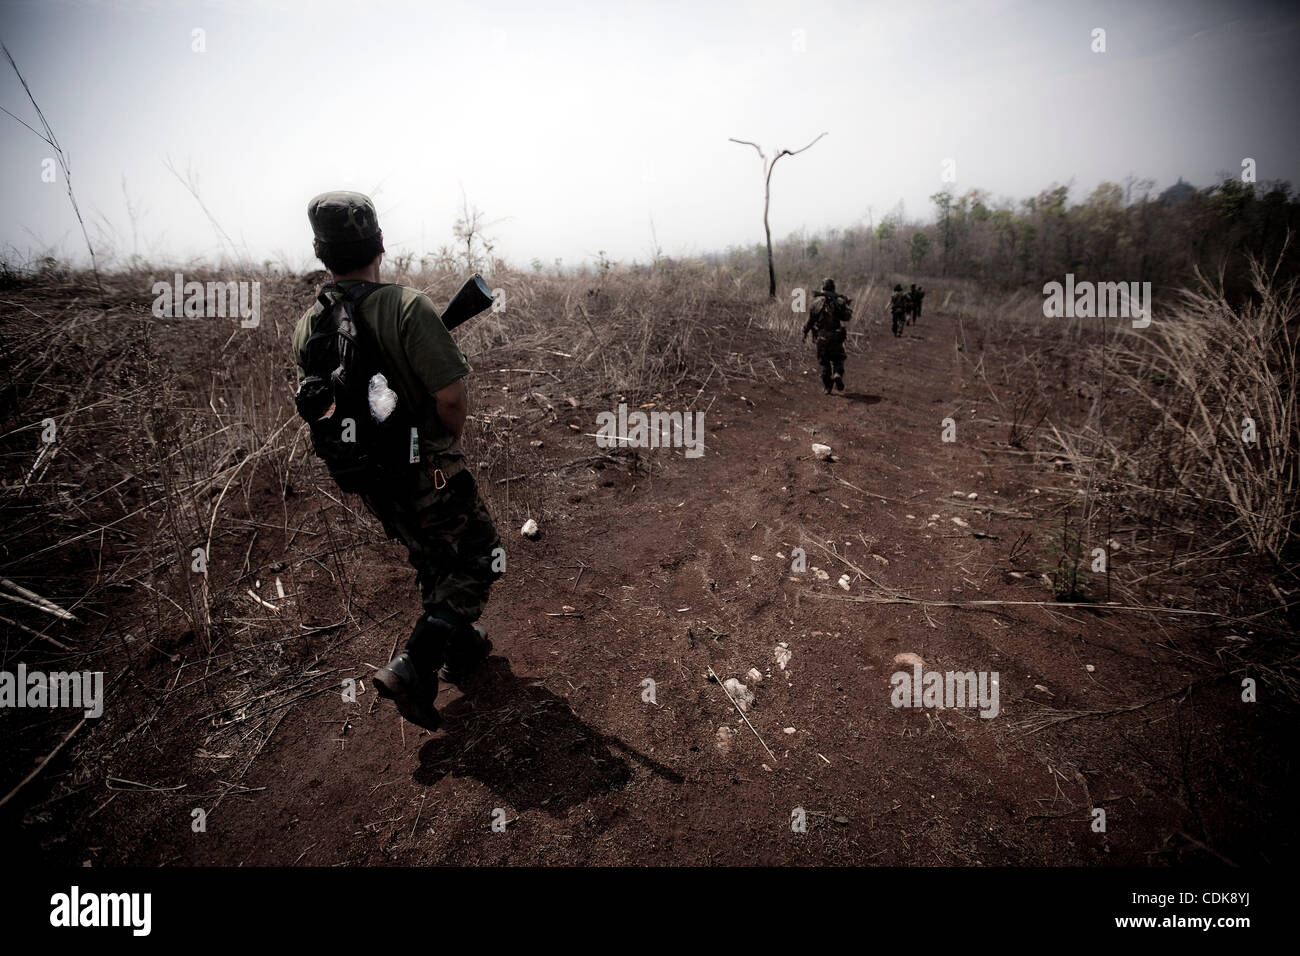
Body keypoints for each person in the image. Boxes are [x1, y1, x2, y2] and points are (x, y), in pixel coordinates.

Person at [291, 191, 502, 732]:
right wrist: (443, 446)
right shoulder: (408, 306)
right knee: (478, 555)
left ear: (321, 253)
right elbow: (451, 399)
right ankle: (416, 664)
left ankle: (461, 644)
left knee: (431, 554)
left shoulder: (306, 329)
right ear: (379, 243)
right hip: (429, 467)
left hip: (368, 476)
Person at [801, 277, 852, 394]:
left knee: (824, 363)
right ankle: (837, 373)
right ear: (833, 288)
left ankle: (828, 387)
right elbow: (847, 317)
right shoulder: (839, 302)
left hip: (822, 337)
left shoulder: (815, 304)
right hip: (836, 336)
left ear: (822, 288)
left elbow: (810, 322)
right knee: (838, 359)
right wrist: (847, 306)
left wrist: (804, 333)